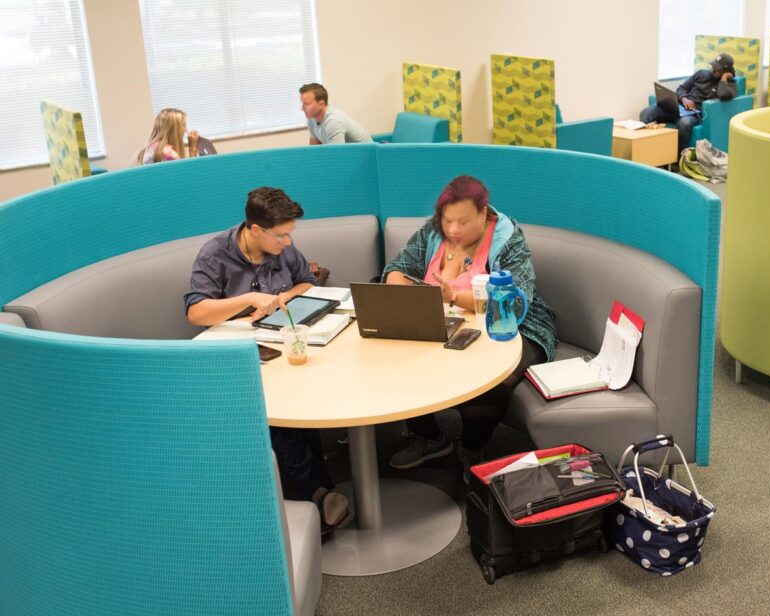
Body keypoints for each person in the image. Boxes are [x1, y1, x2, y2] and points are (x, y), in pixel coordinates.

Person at [184, 186, 348, 535]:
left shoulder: (283, 249)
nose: (288, 243)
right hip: (241, 354)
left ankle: (316, 489)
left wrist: (281, 297)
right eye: (281, 236)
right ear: (255, 230)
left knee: (307, 397)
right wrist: (249, 298)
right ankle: (318, 491)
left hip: (285, 344)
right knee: (276, 413)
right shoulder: (215, 255)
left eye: (290, 234)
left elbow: (306, 282)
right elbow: (197, 313)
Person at [382, 175, 557, 473]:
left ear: (484, 212)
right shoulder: (433, 231)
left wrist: (453, 297)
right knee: (395, 357)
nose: (452, 229)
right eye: (447, 221)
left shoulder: (508, 238)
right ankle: (430, 437)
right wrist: (402, 291)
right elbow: (397, 267)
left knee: (493, 381)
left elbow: (516, 302)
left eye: (462, 222)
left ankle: (472, 449)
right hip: (447, 324)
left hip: (514, 328)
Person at [639, 53, 738, 156]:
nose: (713, 70)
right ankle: (645, 153)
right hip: (678, 106)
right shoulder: (701, 74)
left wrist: (724, 79)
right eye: (713, 66)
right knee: (645, 113)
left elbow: (723, 95)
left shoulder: (730, 85)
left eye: (717, 69)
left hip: (693, 114)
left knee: (684, 124)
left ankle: (675, 159)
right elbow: (682, 88)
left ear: (726, 71)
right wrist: (684, 98)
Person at [299, 82, 372, 145]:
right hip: (350, 157)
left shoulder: (333, 122)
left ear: (321, 104)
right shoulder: (312, 119)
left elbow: (337, 157)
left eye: (307, 104)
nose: (302, 109)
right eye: (302, 104)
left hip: (366, 158)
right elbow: (314, 151)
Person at [134, 108, 201, 165]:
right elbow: (190, 178)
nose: (186, 130)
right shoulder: (169, 154)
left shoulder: (150, 148)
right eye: (183, 125)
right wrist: (193, 148)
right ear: (173, 129)